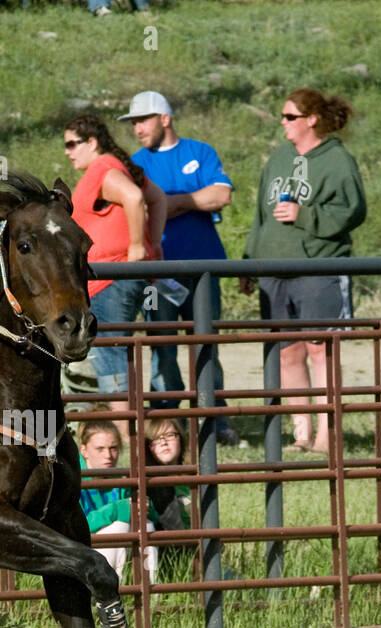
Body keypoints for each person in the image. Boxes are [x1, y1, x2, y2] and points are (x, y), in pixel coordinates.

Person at [240, 88, 366, 454]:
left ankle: (328, 437)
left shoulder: (337, 160)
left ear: (312, 119)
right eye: (282, 116)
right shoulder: (279, 158)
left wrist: (304, 214)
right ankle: (301, 434)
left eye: (290, 116)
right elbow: (261, 215)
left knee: (319, 349)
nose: (283, 122)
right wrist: (250, 260)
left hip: (319, 266)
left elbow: (353, 210)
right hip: (274, 270)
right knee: (287, 352)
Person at [120, 90, 240, 443]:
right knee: (163, 346)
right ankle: (171, 422)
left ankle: (214, 420)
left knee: (206, 344)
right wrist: (191, 201)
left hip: (203, 268)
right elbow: (140, 210)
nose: (137, 128)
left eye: (142, 120)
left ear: (165, 119)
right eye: (133, 123)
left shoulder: (199, 152)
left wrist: (170, 203)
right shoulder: (135, 163)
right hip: (158, 274)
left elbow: (222, 195)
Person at [64, 113, 167, 443]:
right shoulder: (115, 166)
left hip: (112, 277)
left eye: (72, 144)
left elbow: (137, 199)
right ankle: (129, 427)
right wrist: (155, 243)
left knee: (109, 350)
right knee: (116, 350)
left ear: (91, 142)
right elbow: (157, 198)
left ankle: (123, 431)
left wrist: (140, 246)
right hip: (118, 277)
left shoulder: (102, 170)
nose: (67, 151)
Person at [77, 418, 159, 581]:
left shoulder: (121, 479)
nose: (108, 455)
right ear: (84, 451)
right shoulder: (72, 480)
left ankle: (152, 589)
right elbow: (74, 530)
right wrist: (115, 510)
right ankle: (111, 593)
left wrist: (146, 506)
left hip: (112, 552)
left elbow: (155, 519)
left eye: (113, 448)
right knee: (120, 525)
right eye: (100, 449)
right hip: (79, 554)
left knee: (145, 523)